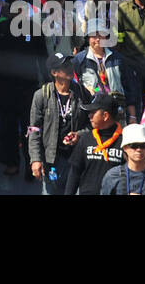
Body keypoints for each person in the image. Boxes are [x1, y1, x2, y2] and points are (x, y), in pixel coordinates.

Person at [27, 52, 88, 195]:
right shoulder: (42, 95)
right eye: (65, 66)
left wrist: (79, 135)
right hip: (51, 160)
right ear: (54, 72)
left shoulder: (82, 94)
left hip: (76, 158)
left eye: (70, 64)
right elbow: (34, 129)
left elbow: (91, 126)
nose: (70, 68)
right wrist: (35, 159)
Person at [64, 92, 125, 194]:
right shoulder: (85, 139)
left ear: (105, 116)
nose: (89, 116)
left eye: (93, 112)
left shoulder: (124, 141)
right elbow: (74, 173)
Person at [98, 123, 145, 194]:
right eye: (134, 146)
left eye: (143, 146)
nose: (139, 150)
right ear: (125, 148)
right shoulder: (112, 176)